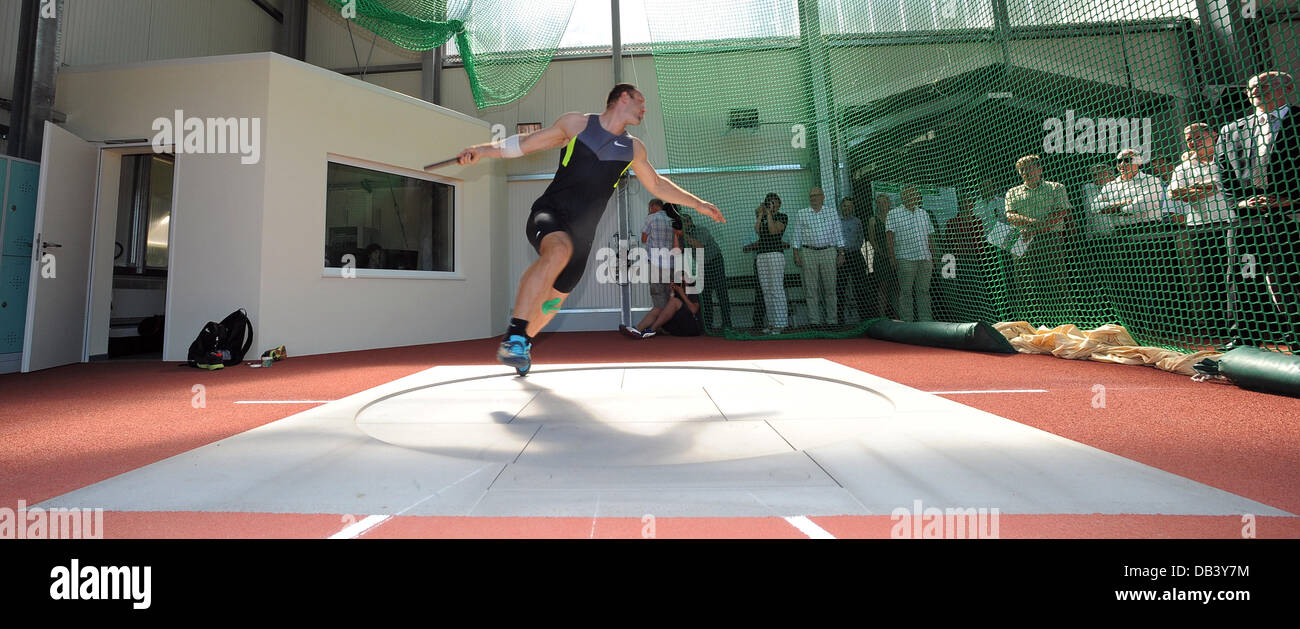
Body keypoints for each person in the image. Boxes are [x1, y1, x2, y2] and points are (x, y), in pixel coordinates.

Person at [455, 83, 724, 374]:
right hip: (550, 214)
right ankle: (514, 336)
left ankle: (524, 345)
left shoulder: (633, 148)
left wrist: (698, 203)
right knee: (557, 251)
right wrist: (483, 149)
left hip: (582, 238)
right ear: (623, 97)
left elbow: (657, 184)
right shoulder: (577, 124)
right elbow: (526, 143)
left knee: (551, 305)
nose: (645, 108)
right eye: (641, 101)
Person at [1215, 71, 1299, 349]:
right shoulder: (1231, 130)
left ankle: (1296, 335)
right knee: (1243, 275)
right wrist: (1240, 203)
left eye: (1263, 86)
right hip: (1247, 220)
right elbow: (1224, 174)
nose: (1255, 91)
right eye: (1251, 87)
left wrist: (1290, 200)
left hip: (1292, 216)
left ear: (1288, 87)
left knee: (1289, 275)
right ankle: (1244, 338)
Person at [1004, 154, 1072, 324]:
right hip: (1021, 240)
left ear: (1039, 169)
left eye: (1030, 167)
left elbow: (1061, 212)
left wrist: (1032, 228)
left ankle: (1060, 321)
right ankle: (1028, 322)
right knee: (1024, 282)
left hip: (1050, 239)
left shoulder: (1056, 187)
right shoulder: (1012, 192)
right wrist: (1034, 224)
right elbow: (1010, 216)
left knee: (1055, 280)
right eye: (1022, 169)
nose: (1025, 171)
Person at [790, 187, 846, 328]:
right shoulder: (802, 213)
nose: (813, 198)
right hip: (808, 252)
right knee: (810, 289)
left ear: (823, 197)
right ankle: (814, 321)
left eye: (816, 196)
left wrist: (841, 253)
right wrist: (796, 254)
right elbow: (796, 235)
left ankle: (832, 320)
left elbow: (838, 233)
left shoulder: (832, 212)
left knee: (830, 288)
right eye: (811, 196)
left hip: (828, 251)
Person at [625, 199, 681, 338]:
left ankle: (641, 329)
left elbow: (644, 238)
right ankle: (663, 327)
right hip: (672, 265)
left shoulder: (651, 218)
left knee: (658, 299)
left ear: (652, 207)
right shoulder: (671, 220)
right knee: (670, 297)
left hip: (656, 264)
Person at [886, 186, 937, 322]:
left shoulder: (923, 214)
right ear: (902, 196)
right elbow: (889, 237)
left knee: (924, 291)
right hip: (904, 258)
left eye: (914, 194)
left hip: (925, 257)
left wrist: (934, 255)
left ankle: (926, 321)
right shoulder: (893, 213)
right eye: (908, 193)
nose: (912, 196)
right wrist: (892, 257)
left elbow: (930, 236)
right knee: (906, 292)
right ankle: (907, 321)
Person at [745, 192, 790, 334]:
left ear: (779, 204)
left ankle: (781, 323)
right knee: (766, 290)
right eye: (769, 202)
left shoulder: (782, 217)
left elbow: (773, 231)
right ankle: (771, 323)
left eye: (774, 202)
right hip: (762, 255)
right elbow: (758, 230)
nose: (772, 204)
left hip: (775, 254)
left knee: (776, 289)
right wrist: (760, 215)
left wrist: (769, 214)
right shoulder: (763, 217)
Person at [682, 213, 731, 332]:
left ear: (689, 222)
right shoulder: (684, 236)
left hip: (715, 261)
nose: (683, 226)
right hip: (702, 265)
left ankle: (727, 324)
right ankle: (708, 325)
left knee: (721, 292)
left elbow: (699, 245)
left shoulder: (700, 230)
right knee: (705, 295)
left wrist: (684, 235)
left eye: (684, 223)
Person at [835, 197, 872, 323]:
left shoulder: (857, 222)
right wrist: (841, 253)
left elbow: (860, 239)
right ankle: (839, 320)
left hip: (855, 255)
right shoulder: (836, 221)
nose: (847, 208)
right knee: (840, 288)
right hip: (841, 256)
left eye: (850, 206)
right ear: (841, 207)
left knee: (860, 287)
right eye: (845, 206)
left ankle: (864, 318)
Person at [635, 280, 703, 338]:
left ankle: (651, 330)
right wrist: (672, 293)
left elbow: (694, 310)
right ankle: (638, 329)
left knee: (675, 301)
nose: (682, 277)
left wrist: (682, 294)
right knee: (659, 309)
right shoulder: (679, 289)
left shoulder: (693, 290)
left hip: (693, 328)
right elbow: (670, 309)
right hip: (679, 328)